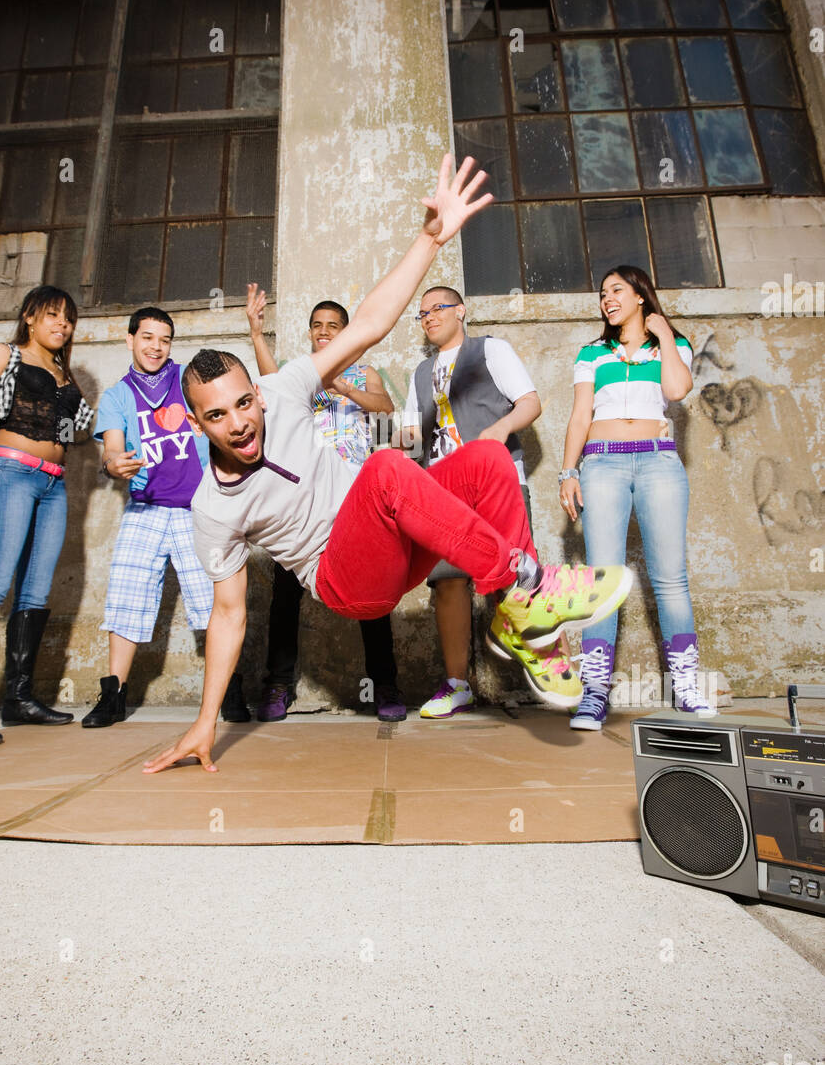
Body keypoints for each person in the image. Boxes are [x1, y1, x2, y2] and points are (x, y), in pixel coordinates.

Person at [143, 155, 632, 775]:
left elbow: (371, 322)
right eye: (218, 416)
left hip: (394, 534)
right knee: (383, 469)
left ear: (258, 393)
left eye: (245, 403)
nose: (240, 423)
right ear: (196, 423)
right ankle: (529, 584)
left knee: (484, 459)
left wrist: (430, 236)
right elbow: (229, 614)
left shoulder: (285, 387)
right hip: (347, 581)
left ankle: (515, 613)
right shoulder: (213, 508)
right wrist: (203, 721)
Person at [401, 285, 581, 718]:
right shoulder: (420, 372)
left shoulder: (491, 350)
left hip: (495, 479)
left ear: (461, 311)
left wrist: (500, 430)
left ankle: (553, 674)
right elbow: (409, 437)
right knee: (447, 581)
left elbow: (530, 402)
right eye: (421, 314)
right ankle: (457, 684)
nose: (428, 317)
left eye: (437, 308)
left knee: (515, 575)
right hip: (442, 488)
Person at [558, 264, 715, 730]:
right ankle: (593, 695)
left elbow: (677, 390)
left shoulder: (673, 346)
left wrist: (664, 334)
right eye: (603, 293)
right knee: (602, 581)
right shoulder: (592, 353)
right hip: (601, 462)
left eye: (617, 290)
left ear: (641, 296)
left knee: (670, 579)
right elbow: (580, 413)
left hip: (659, 461)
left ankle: (686, 687)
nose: (607, 299)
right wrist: (569, 471)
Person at [0, 285, 93, 747]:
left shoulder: (63, 372)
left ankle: (18, 700)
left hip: (53, 483)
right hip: (9, 473)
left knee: (35, 591)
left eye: (68, 319)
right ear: (29, 316)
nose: (61, 325)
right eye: (51, 315)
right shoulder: (2, 354)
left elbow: (72, 433)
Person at [245, 289, 406, 722]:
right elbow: (271, 383)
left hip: (353, 499)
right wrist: (257, 333)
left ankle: (385, 686)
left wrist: (338, 385)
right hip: (301, 500)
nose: (323, 332)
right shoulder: (299, 375)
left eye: (332, 325)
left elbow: (387, 408)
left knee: (370, 593)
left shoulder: (366, 371)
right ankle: (278, 686)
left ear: (346, 331)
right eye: (317, 325)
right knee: (285, 594)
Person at [84, 307, 247, 727]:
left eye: (164, 339)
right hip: (145, 508)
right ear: (130, 340)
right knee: (126, 598)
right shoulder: (118, 395)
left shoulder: (188, 380)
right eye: (148, 337)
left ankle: (230, 689)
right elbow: (113, 450)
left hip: (199, 506)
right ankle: (113, 695)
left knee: (213, 602)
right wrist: (114, 464)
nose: (156, 346)